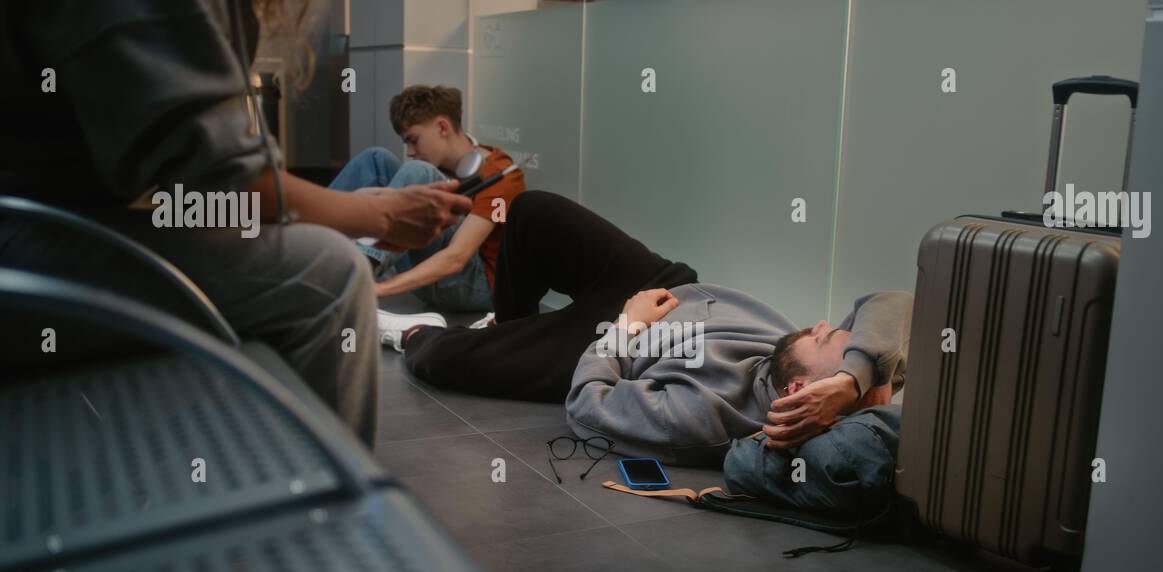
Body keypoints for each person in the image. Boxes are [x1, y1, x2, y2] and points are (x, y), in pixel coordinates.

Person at [0, 0, 470, 447]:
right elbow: (223, 183)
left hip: (40, 228)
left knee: (317, 245)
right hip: (24, 249)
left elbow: (193, 188)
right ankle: (315, 521)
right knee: (330, 275)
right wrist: (379, 214)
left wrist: (344, 212)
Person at [377, 191, 912, 466]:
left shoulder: (709, 415)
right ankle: (511, 332)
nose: (822, 325)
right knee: (533, 211)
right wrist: (852, 380)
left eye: (826, 339)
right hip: (665, 285)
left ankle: (432, 335)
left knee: (438, 359)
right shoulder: (851, 374)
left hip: (613, 341)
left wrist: (626, 327)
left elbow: (589, 405)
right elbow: (891, 301)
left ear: (799, 394)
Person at [329, 84, 526, 314]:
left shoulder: (501, 175)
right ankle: (307, 243)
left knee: (418, 170)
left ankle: (356, 275)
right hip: (433, 270)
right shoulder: (441, 167)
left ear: (443, 127)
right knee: (376, 158)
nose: (410, 151)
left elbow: (456, 258)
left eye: (414, 140)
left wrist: (380, 290)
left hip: (477, 285)